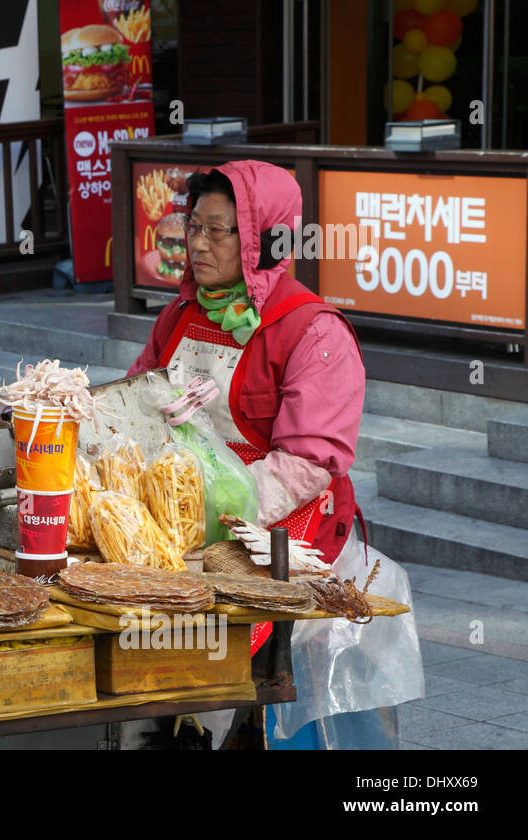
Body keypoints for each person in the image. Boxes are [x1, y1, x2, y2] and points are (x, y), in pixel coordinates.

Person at [127, 161, 422, 748]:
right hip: (187, 521)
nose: (198, 243)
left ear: (264, 240)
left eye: (220, 230)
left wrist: (208, 514)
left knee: (249, 661)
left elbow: (308, 463)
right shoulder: (180, 315)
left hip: (281, 528)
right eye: (193, 226)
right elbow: (135, 406)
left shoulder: (314, 331)